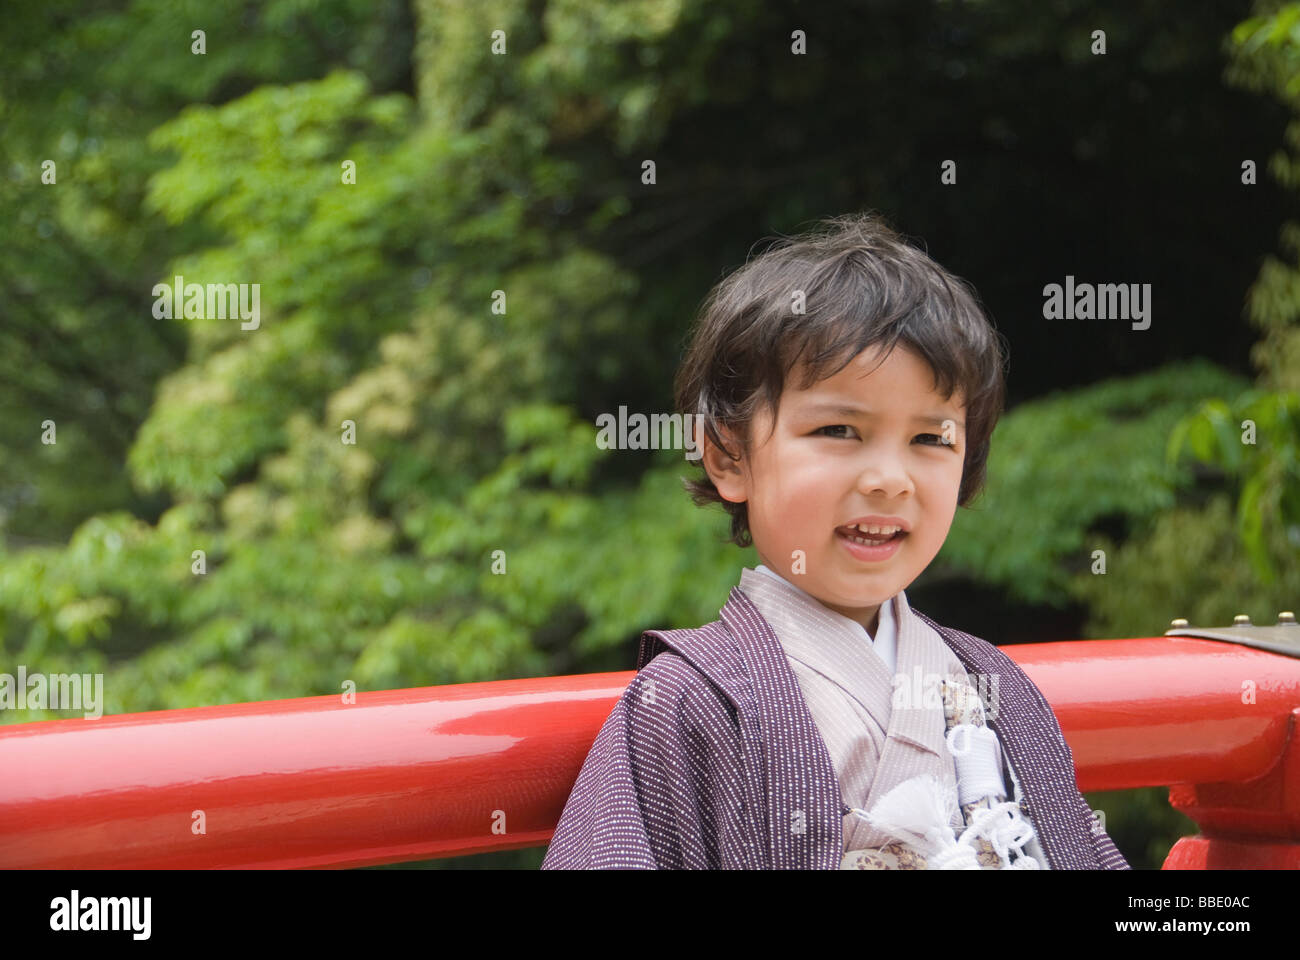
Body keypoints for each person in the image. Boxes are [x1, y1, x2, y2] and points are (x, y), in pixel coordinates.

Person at [541, 212, 1129, 870]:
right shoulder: (684, 706)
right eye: (838, 431)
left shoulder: (993, 686)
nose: (888, 480)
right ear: (729, 457)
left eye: (930, 440)